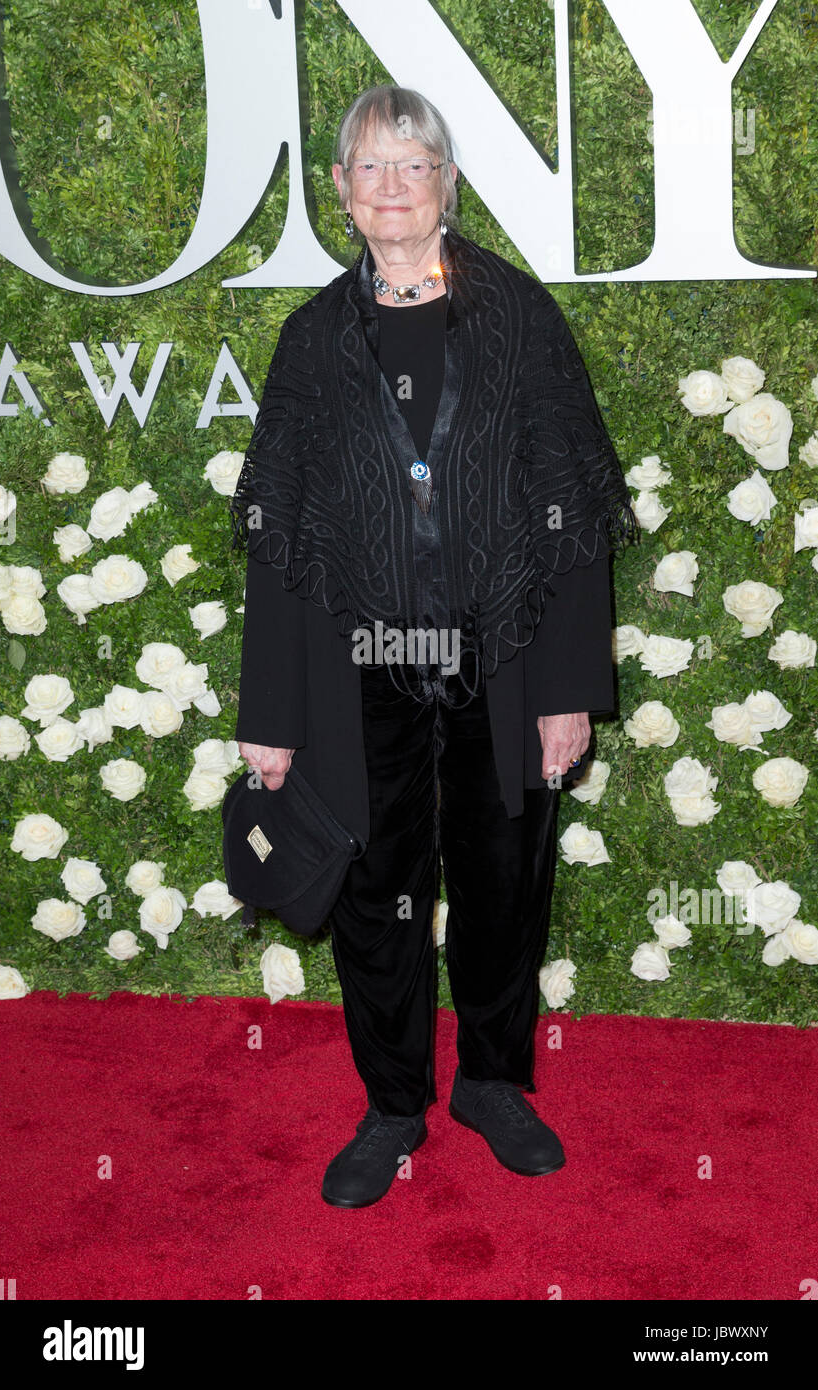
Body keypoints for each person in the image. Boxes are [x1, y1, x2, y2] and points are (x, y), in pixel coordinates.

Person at [230, 85, 637, 1209]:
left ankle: (495, 1083)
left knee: (506, 879)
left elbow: (569, 513)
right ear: (344, 194)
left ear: (447, 185)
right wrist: (271, 715)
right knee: (377, 888)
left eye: (414, 164)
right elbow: (280, 537)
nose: (393, 186)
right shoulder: (310, 341)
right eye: (370, 167)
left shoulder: (517, 316)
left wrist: (566, 692)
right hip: (356, 667)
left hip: (499, 659)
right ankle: (394, 1102)